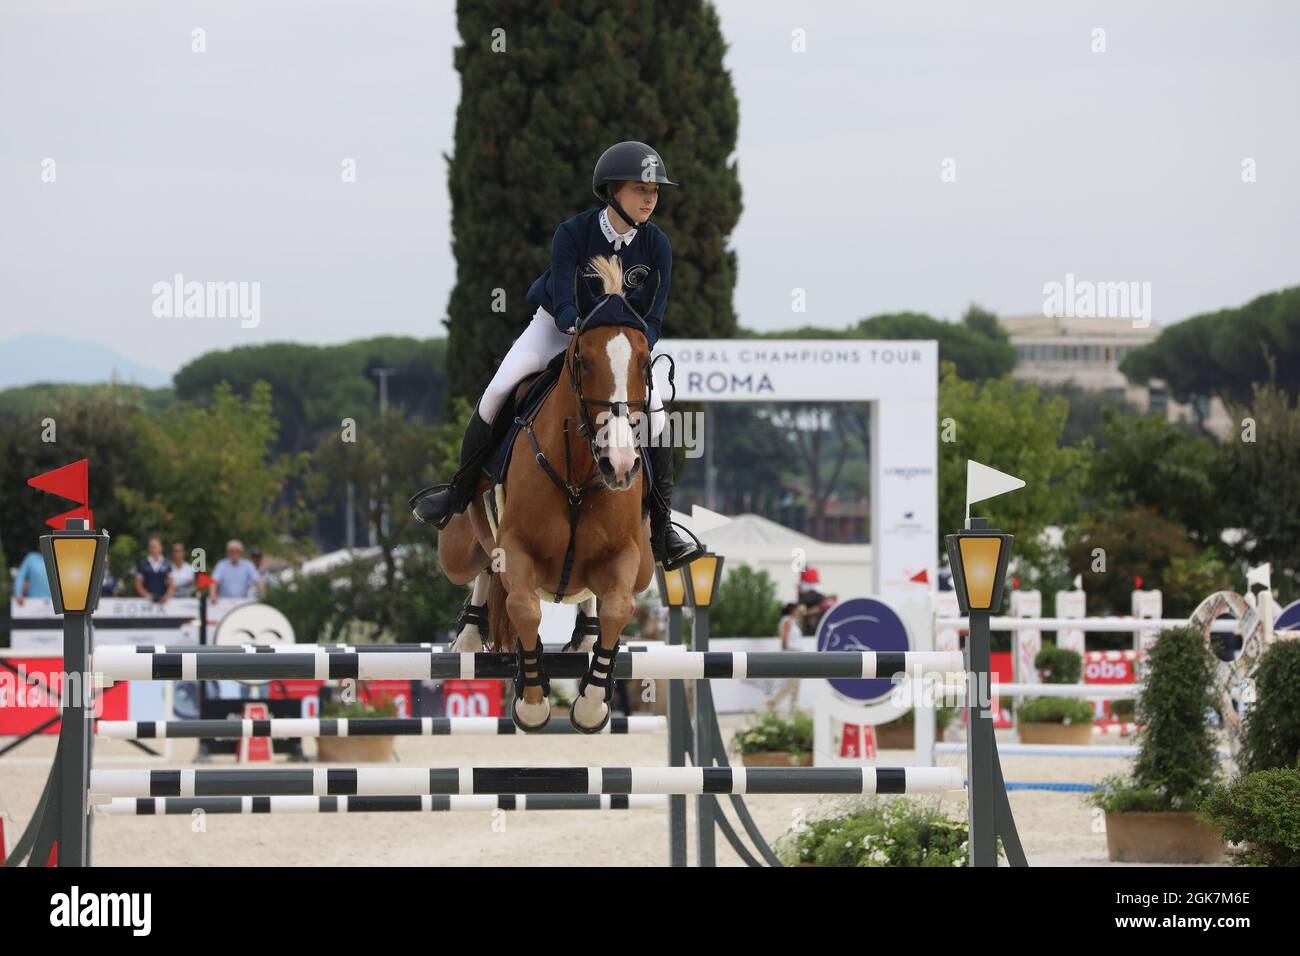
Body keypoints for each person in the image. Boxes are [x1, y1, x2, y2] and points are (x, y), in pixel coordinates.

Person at [411, 141, 704, 570]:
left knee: (657, 418)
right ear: (612, 192)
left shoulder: (657, 244)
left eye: (654, 191)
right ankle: (457, 492)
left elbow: (654, 316)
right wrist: (581, 332)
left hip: (620, 346)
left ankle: (662, 528)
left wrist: (636, 346)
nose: (649, 199)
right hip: (557, 327)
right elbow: (565, 301)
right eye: (640, 189)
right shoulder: (573, 232)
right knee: (496, 393)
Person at [209, 539, 264, 605]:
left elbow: (258, 581)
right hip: (223, 603)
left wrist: (263, 598)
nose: (234, 553)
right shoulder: (221, 565)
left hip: (242, 603)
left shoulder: (248, 565)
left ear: (241, 552)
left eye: (237, 551)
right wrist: (213, 595)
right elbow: (214, 581)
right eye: (232, 551)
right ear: (228, 552)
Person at [135, 534, 173, 602]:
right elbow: (138, 585)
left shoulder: (167, 563)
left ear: (161, 547)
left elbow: (171, 584)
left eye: (155, 547)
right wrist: (148, 596)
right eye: (151, 547)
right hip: (146, 601)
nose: (153, 549)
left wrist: (167, 596)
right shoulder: (143, 563)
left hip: (163, 600)